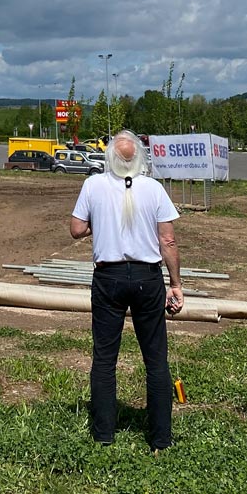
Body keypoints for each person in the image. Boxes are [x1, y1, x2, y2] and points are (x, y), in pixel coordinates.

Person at [70, 130, 184, 452]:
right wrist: (175, 284)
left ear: (109, 159)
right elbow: (168, 241)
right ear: (140, 159)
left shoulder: (93, 185)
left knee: (105, 358)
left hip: (109, 277)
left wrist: (100, 223)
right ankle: (161, 438)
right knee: (156, 360)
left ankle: (103, 434)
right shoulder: (155, 189)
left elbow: (76, 228)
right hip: (148, 278)